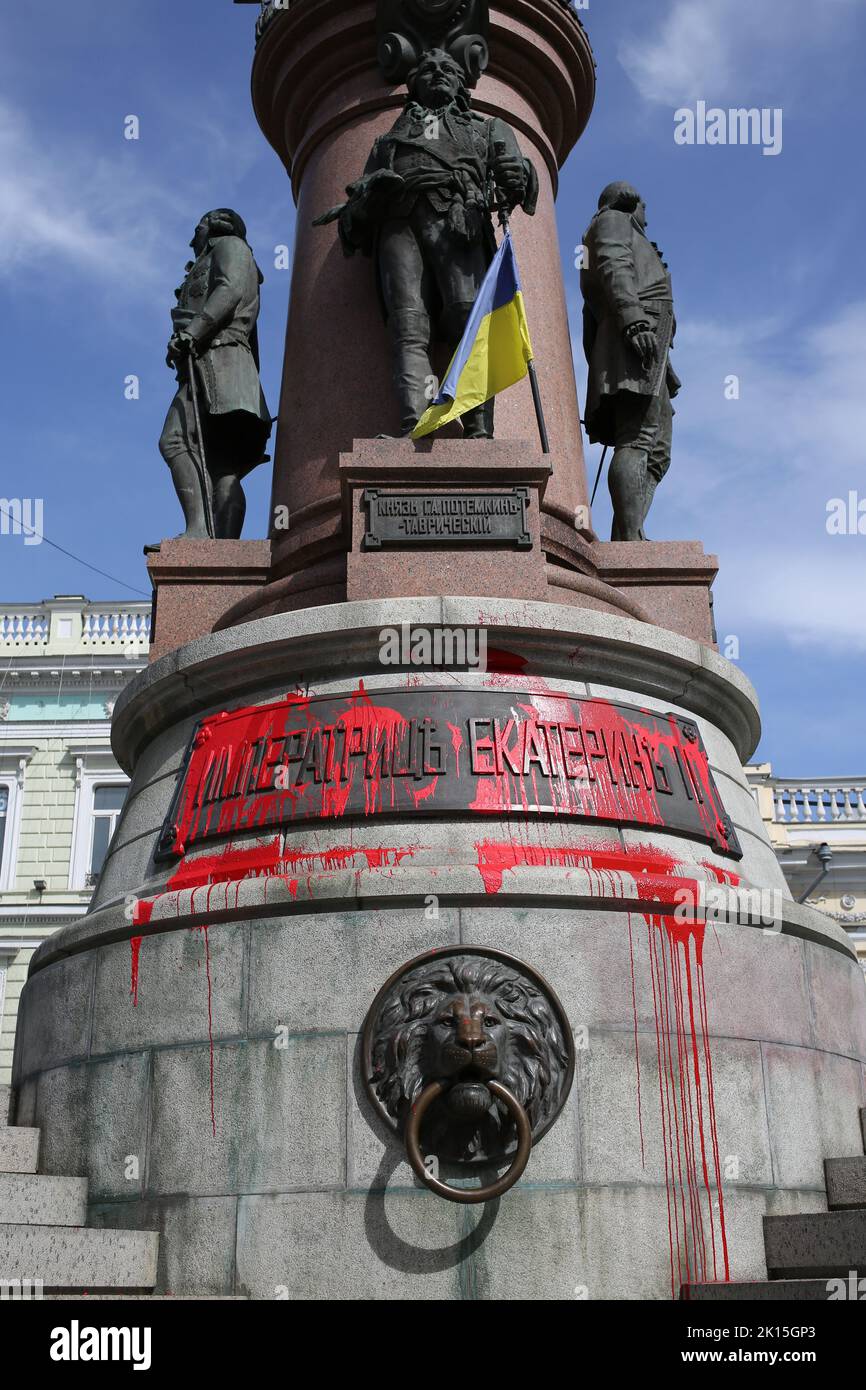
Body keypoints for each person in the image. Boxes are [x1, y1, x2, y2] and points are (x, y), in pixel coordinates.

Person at [315, 48, 537, 438]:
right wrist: (367, 198)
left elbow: (515, 182)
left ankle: (479, 431)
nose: (438, 73)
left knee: (470, 317)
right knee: (407, 323)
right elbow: (359, 208)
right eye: (428, 69)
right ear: (414, 84)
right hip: (399, 225)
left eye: (447, 69)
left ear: (461, 83)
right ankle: (414, 425)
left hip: (459, 216)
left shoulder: (486, 129)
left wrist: (517, 174)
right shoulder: (386, 143)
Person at [159, 209, 271, 539]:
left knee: (175, 440)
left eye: (198, 228)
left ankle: (198, 532)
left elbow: (229, 289)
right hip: (213, 364)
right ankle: (223, 549)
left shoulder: (230, 245)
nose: (191, 239)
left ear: (217, 225)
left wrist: (192, 333)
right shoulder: (220, 253)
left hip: (219, 359)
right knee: (223, 464)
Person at [581, 182, 682, 540]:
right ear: (629, 201)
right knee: (636, 437)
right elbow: (614, 265)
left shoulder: (631, 231)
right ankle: (631, 539)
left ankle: (627, 537)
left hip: (649, 344)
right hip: (634, 337)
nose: (647, 218)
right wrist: (634, 320)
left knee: (658, 452)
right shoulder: (612, 220)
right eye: (645, 207)